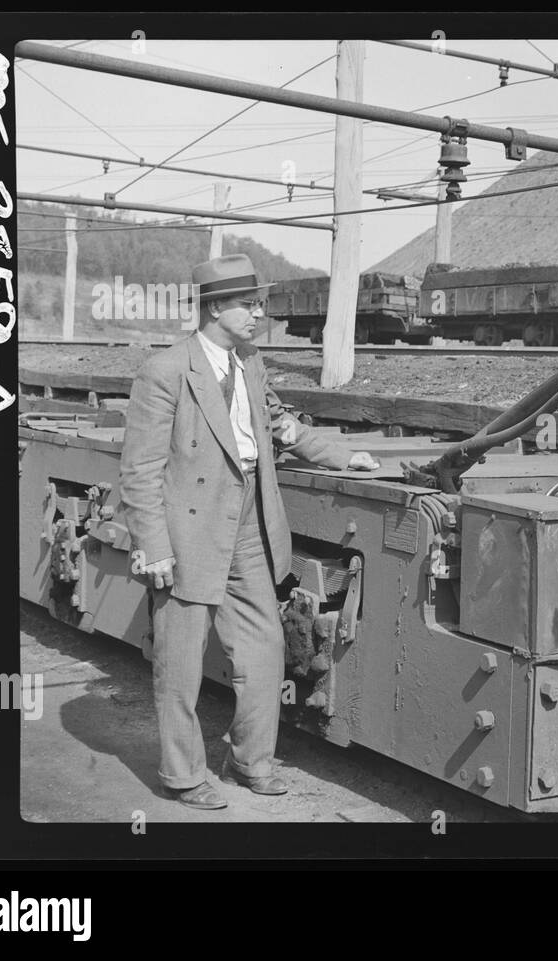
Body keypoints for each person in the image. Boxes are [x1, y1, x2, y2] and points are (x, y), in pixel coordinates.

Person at [119, 253, 378, 811]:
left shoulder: (250, 362)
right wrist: (153, 546)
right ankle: (182, 775)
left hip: (248, 525)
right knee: (180, 665)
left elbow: (282, 425)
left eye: (259, 303)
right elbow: (138, 472)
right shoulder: (165, 373)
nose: (259, 313)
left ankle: (249, 761)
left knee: (263, 650)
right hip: (188, 532)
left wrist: (341, 454)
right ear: (214, 308)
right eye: (248, 304)